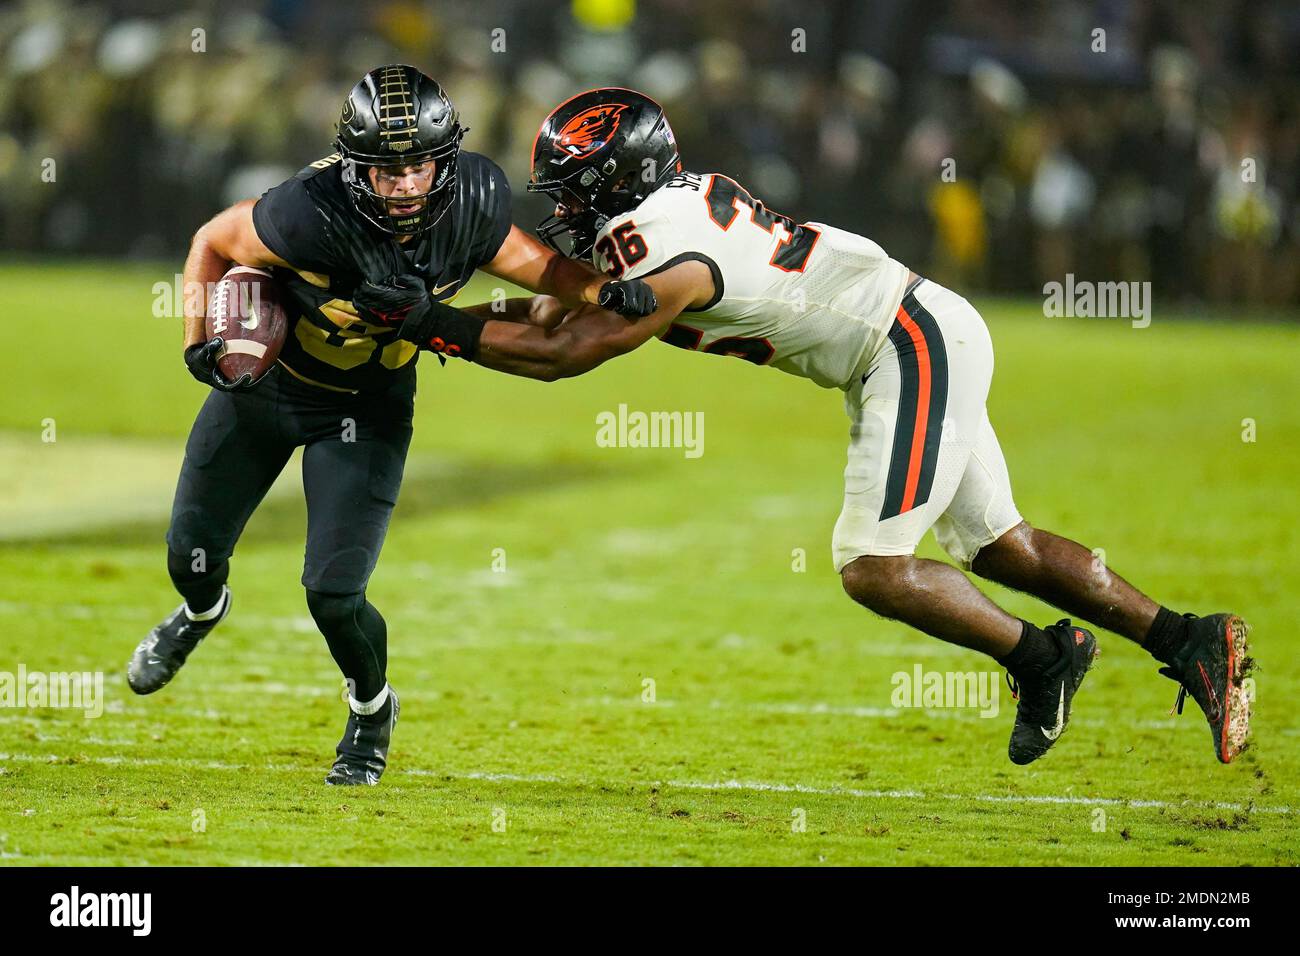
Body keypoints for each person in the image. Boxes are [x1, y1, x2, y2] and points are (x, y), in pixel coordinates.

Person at [464, 88, 1252, 765]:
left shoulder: (664, 242)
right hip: (910, 333)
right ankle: (1189, 640)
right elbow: (552, 309)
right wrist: (425, 324)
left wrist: (426, 326)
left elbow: (566, 348)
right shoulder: (655, 215)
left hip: (906, 343)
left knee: (872, 566)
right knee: (1000, 548)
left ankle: (1046, 656)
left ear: (620, 178)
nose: (561, 208)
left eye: (573, 189)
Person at [127, 66, 650, 786]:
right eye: (386, 169)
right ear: (354, 166)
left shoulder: (471, 199)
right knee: (189, 554)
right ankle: (201, 609)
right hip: (266, 394)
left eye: (418, 166)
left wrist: (600, 287)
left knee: (334, 594)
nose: (405, 183)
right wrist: (196, 342)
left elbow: (545, 273)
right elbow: (213, 242)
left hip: (366, 408)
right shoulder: (306, 213)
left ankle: (371, 710)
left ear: (445, 158)